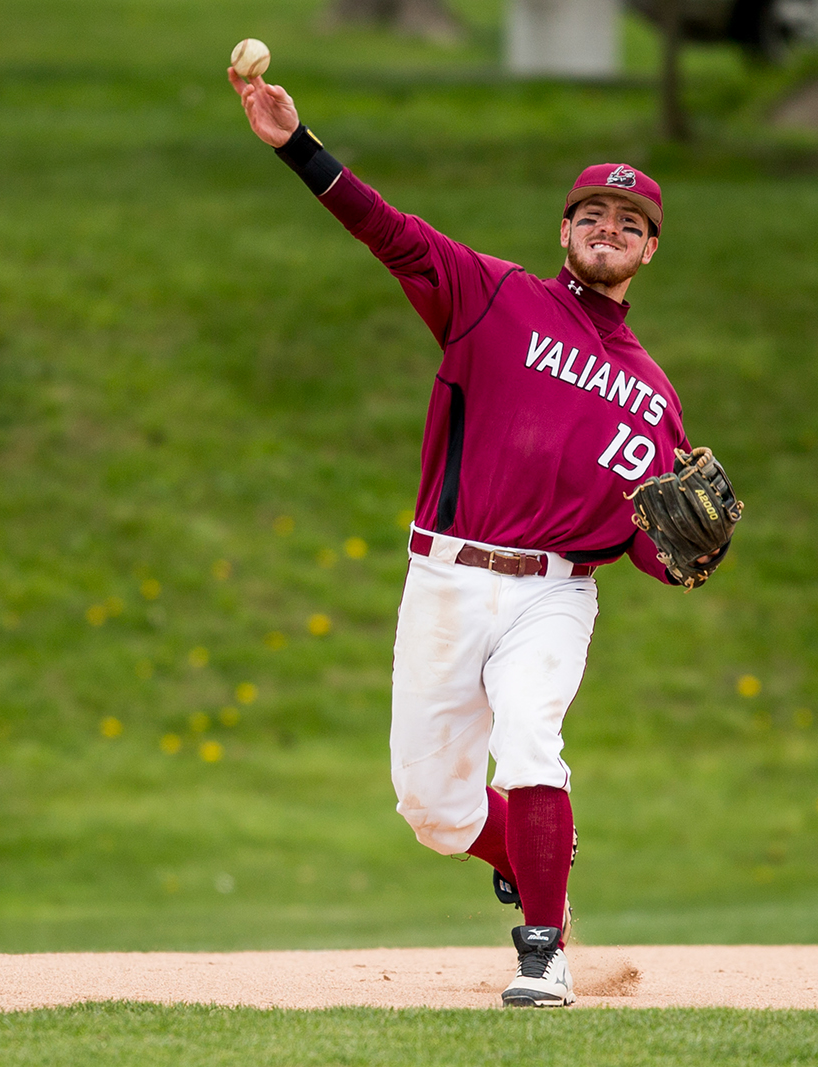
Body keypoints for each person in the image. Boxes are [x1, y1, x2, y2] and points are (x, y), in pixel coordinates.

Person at [230, 67, 728, 1008]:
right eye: (592, 216)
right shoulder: (492, 297)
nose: (608, 231)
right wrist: (298, 145)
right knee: (432, 808)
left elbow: (651, 547)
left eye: (630, 222)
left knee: (532, 741)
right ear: (565, 233)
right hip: (446, 579)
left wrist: (684, 556)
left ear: (651, 251)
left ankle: (542, 949)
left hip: (553, 593)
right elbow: (389, 232)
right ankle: (538, 847)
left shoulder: (655, 398)